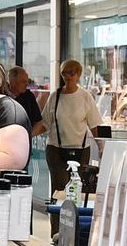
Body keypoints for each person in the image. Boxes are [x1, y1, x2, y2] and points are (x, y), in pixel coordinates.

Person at [42, 59, 98, 194]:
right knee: (60, 188)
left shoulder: (85, 97)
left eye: (71, 73)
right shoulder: (55, 97)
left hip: (81, 149)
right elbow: (45, 123)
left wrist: (101, 146)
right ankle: (57, 208)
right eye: (64, 73)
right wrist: (28, 134)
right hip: (56, 149)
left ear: (78, 75)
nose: (67, 76)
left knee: (78, 189)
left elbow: (94, 124)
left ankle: (75, 209)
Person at [5, 65, 43, 131]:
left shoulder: (29, 96)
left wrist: (29, 135)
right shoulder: (1, 96)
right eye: (23, 81)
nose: (27, 84)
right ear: (12, 82)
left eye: (27, 81)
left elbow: (38, 121)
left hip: (25, 135)